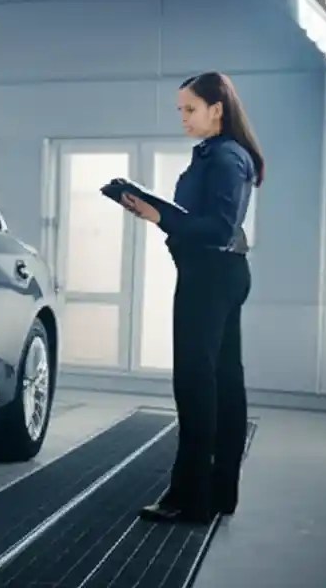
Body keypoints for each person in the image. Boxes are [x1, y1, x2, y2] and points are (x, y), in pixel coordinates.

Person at [120, 71, 265, 524]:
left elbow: (218, 229)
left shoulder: (223, 158)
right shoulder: (219, 154)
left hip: (209, 277)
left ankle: (189, 498)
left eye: (190, 109)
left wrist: (158, 215)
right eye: (180, 109)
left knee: (196, 385)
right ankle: (219, 493)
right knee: (224, 383)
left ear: (216, 110)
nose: (182, 117)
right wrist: (159, 215)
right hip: (222, 274)